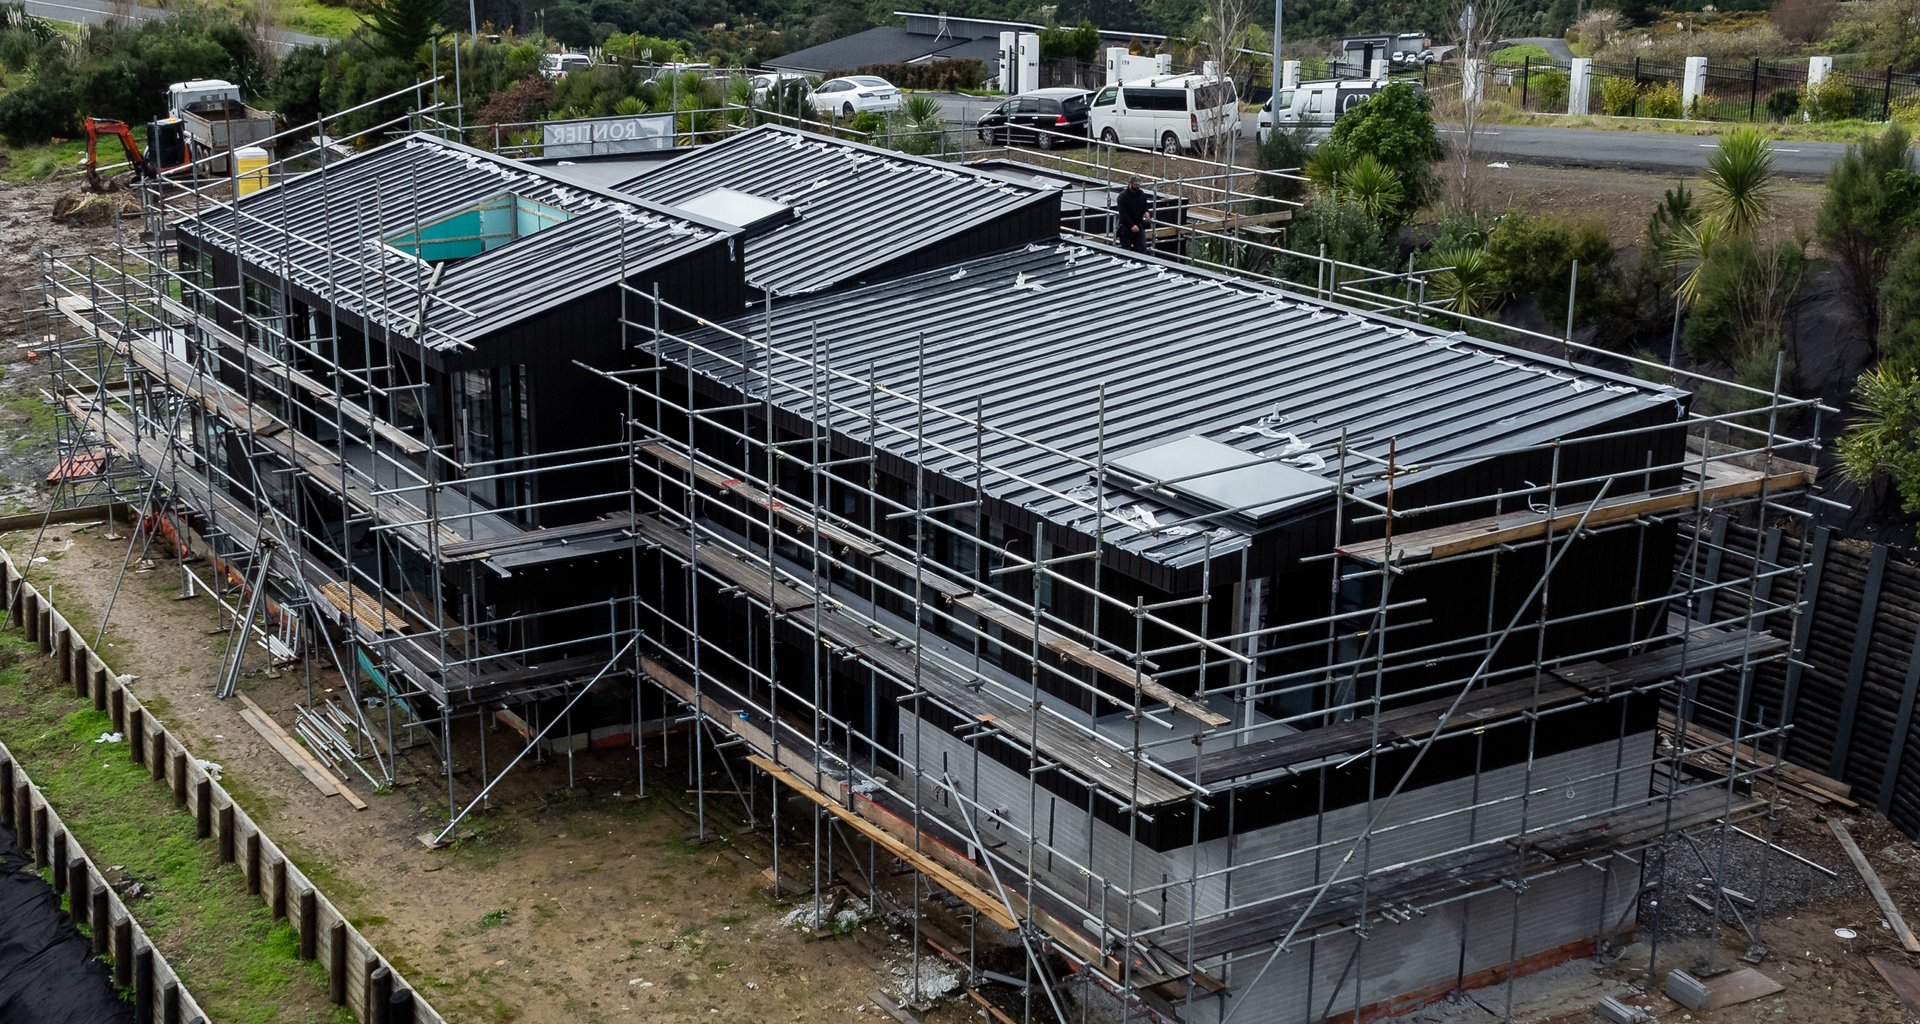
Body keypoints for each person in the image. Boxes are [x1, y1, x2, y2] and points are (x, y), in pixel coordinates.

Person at [1115, 177, 1151, 253]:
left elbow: (1145, 206)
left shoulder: (1141, 194)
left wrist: (1146, 212)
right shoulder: (1123, 196)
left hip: (1139, 226)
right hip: (1126, 228)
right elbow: (1123, 214)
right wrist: (1131, 225)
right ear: (1130, 183)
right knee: (1126, 251)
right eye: (1136, 185)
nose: (1138, 187)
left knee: (1142, 249)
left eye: (1139, 185)